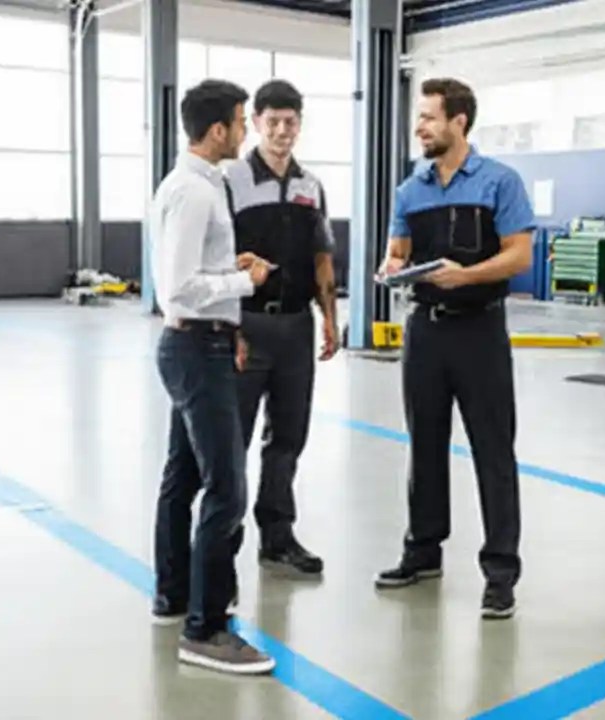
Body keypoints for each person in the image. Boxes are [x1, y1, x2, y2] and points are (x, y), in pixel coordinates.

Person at [374, 77, 535, 620]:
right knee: (424, 445)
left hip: (480, 331)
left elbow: (518, 257)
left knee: (493, 450)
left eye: (428, 117)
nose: (420, 126)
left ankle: (500, 573)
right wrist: (392, 268)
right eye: (419, 118)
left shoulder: (499, 182)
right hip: (425, 331)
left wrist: (467, 277)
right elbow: (398, 252)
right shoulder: (409, 189)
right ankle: (422, 552)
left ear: (459, 122)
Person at [149, 78, 276, 675]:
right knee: (226, 487)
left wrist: (230, 268)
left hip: (195, 344)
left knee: (183, 476)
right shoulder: (196, 192)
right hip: (198, 349)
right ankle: (205, 630)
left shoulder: (195, 185)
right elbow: (176, 287)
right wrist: (243, 283)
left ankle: (174, 595)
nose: (247, 130)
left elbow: (195, 270)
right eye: (242, 121)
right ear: (218, 130)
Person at [222, 79, 339, 576]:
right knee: (234, 440)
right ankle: (222, 542)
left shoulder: (311, 187)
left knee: (288, 436)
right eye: (272, 121)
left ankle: (278, 535)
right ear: (254, 123)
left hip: (297, 328)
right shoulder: (230, 180)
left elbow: (321, 257)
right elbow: (214, 257)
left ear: (300, 124)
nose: (282, 131)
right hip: (246, 323)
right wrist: (228, 326)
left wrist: (330, 318)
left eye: (290, 122)